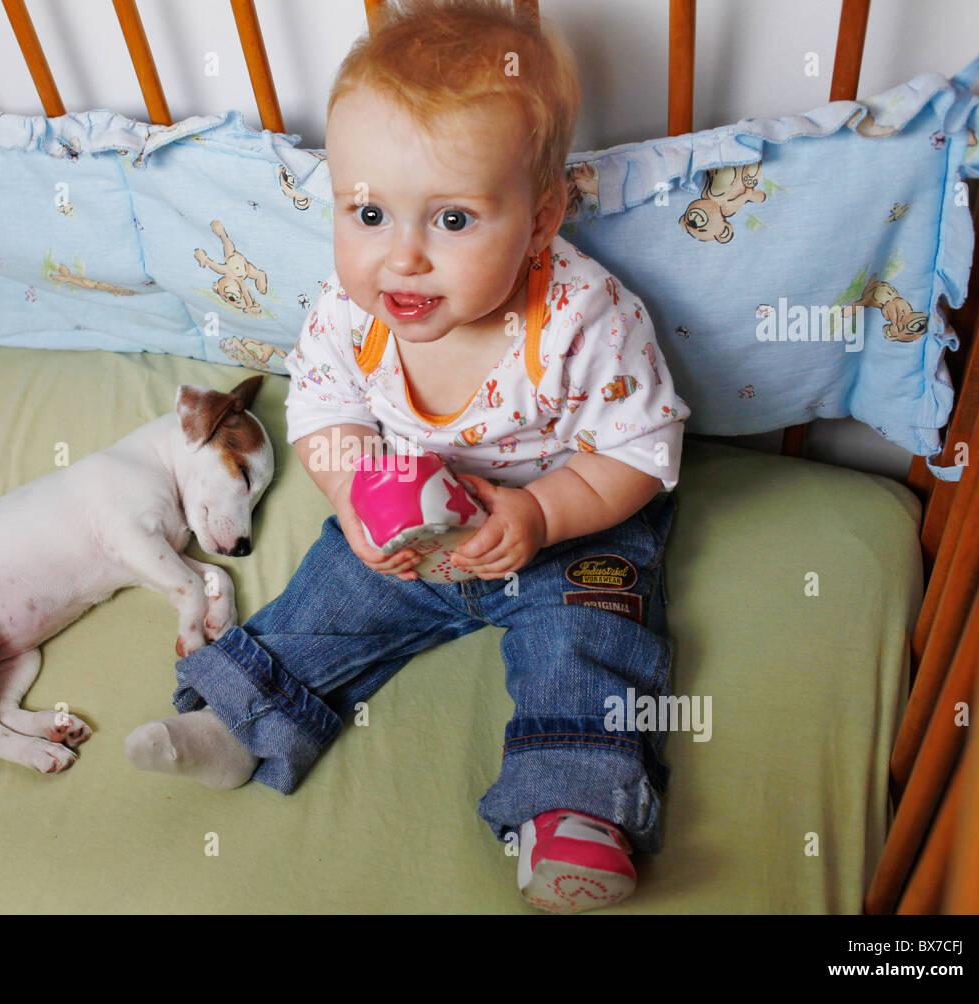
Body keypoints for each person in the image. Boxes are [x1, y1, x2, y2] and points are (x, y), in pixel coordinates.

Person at [127, 0, 691, 913]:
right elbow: (322, 404)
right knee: (329, 597)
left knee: (591, 640)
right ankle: (240, 725)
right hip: (410, 525)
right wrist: (352, 488)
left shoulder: (589, 320)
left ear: (542, 217)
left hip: (571, 520)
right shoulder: (351, 313)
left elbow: (641, 451)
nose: (403, 260)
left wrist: (542, 513)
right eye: (371, 213)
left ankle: (573, 811)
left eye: (455, 220)